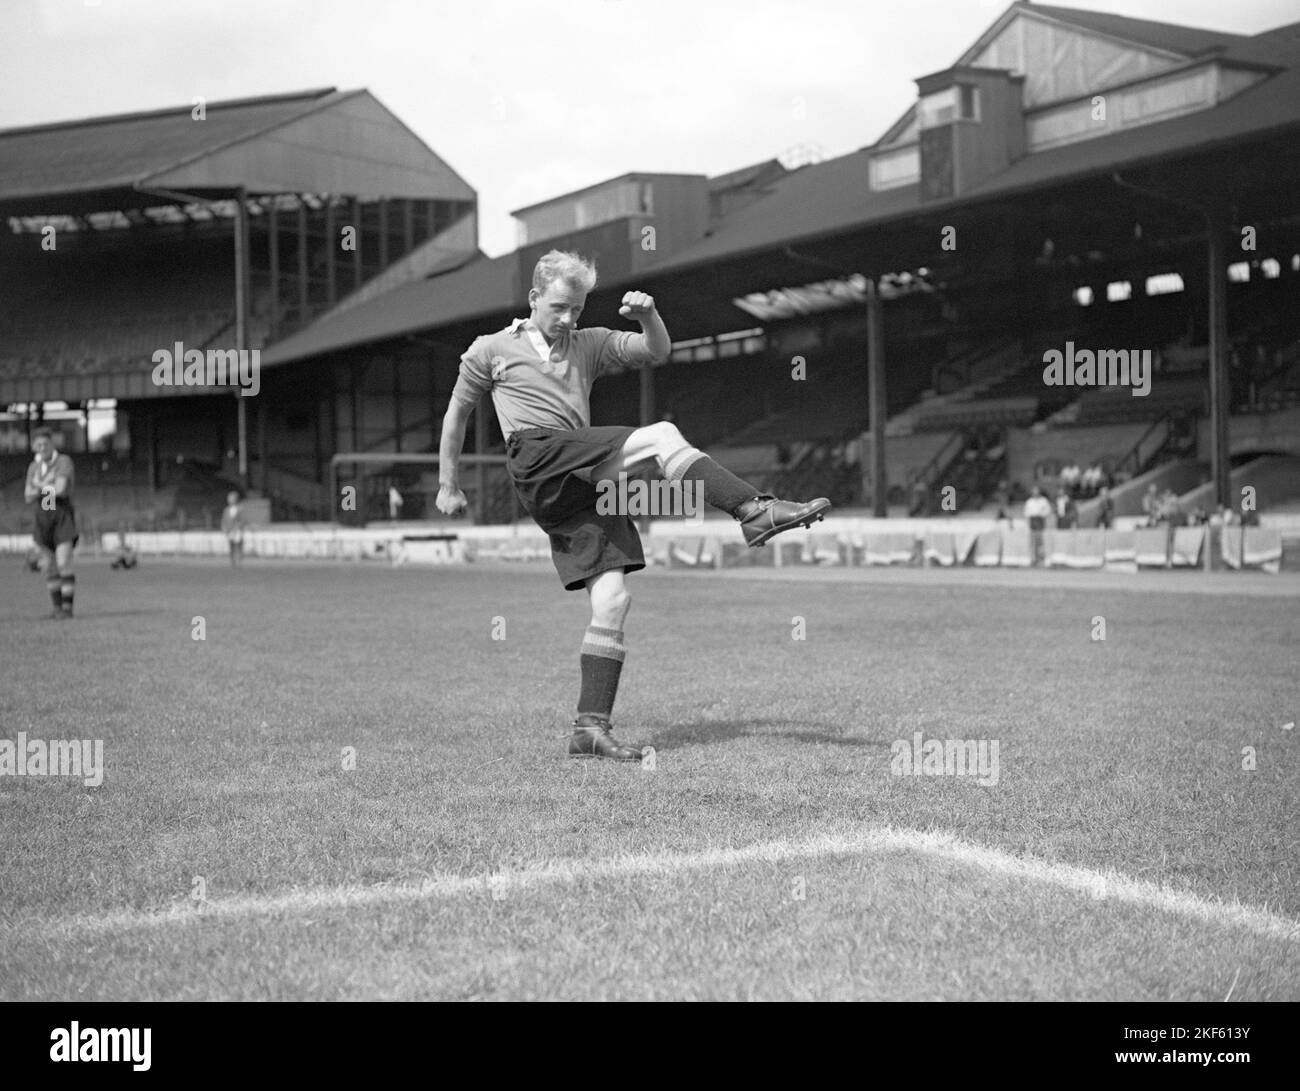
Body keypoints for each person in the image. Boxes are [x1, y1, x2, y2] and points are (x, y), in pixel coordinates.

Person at [436, 250, 830, 760]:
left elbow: (655, 351)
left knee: (614, 601)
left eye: (577, 308)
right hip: (537, 458)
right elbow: (457, 413)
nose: (568, 318)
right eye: (558, 307)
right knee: (662, 436)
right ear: (534, 298)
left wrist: (648, 315)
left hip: (580, 482)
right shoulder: (489, 349)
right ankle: (752, 509)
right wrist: (449, 483)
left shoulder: (589, 342)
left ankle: (589, 729)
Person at [23, 427, 79, 619]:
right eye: (38, 445)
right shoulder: (34, 467)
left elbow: (61, 489)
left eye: (45, 444)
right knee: (49, 565)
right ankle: (56, 609)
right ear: (33, 447)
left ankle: (67, 608)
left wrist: (38, 486)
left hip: (61, 516)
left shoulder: (63, 461)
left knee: (63, 562)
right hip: (43, 516)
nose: (42, 447)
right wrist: (48, 484)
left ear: (52, 444)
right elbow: (27, 496)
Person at [1023, 485, 1052, 565]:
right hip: (1032, 522)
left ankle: (1041, 559)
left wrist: (1040, 514)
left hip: (1040, 522)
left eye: (1036, 491)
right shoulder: (1029, 501)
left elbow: (1048, 511)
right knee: (1032, 542)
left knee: (1041, 542)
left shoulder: (1044, 501)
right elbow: (1026, 512)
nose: (1035, 493)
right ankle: (1033, 559)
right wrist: (1032, 515)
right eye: (1033, 491)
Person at [220, 491, 247, 568]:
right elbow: (224, 520)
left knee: (238, 546)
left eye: (231, 498)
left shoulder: (240, 509)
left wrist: (238, 527)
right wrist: (224, 528)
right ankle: (233, 561)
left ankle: (239, 561)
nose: (229, 500)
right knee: (231, 546)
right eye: (229, 498)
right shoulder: (226, 510)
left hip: (237, 531)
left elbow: (243, 520)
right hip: (230, 531)